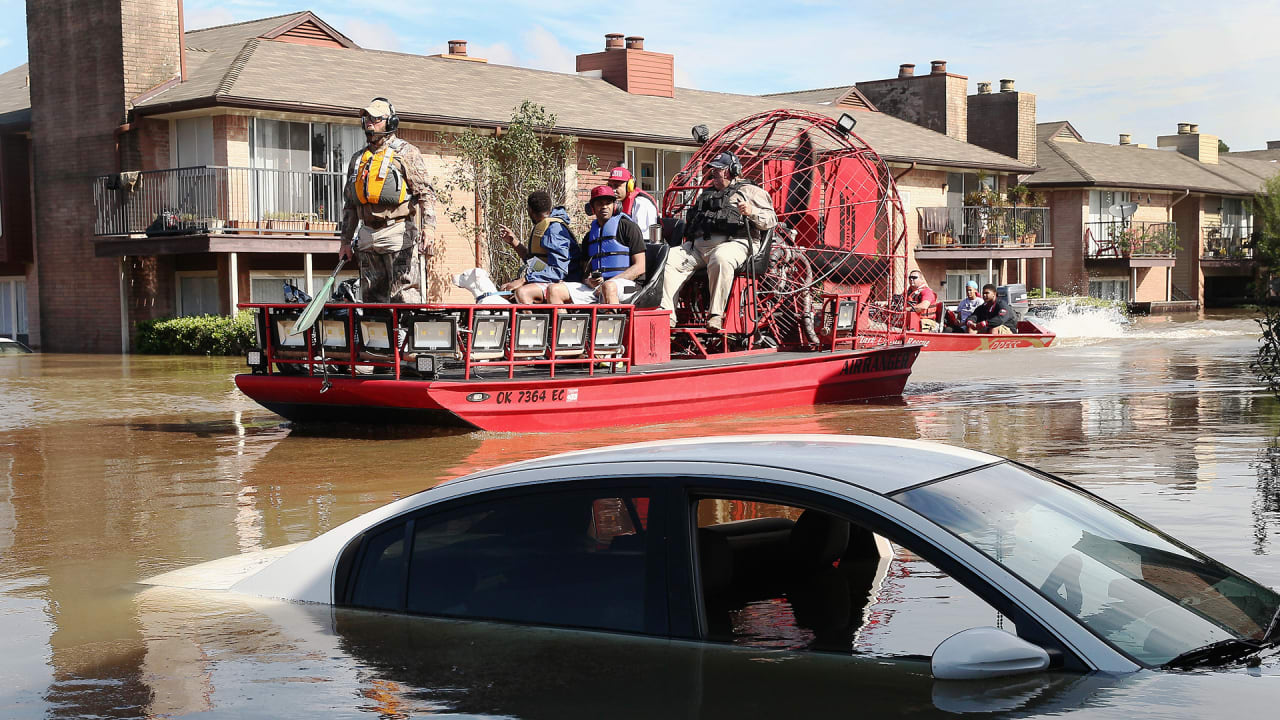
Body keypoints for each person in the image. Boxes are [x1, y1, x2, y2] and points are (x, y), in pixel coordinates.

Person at [660, 152, 776, 332]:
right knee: (668, 259)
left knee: (720, 258)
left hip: (736, 242)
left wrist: (751, 211)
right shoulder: (708, 194)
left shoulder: (752, 192)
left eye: (718, 170)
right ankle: (667, 316)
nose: (713, 173)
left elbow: (770, 220)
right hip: (699, 247)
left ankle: (715, 315)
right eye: (712, 170)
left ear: (733, 170)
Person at [339, 97, 438, 303]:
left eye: (375, 118)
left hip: (398, 234)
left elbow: (425, 193)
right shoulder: (358, 159)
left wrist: (429, 228)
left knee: (404, 297)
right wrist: (345, 242)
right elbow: (350, 204)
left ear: (390, 122)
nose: (369, 123)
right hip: (367, 238)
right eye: (366, 118)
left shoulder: (406, 153)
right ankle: (378, 336)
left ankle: (405, 336)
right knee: (372, 301)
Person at [547, 185, 646, 305]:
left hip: (627, 286)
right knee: (554, 290)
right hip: (597, 288)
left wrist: (610, 282)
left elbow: (640, 267)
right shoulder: (589, 237)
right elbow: (584, 273)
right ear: (592, 208)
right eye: (599, 203)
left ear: (615, 206)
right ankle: (569, 324)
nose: (604, 206)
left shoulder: (628, 227)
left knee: (608, 287)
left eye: (608, 203)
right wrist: (589, 281)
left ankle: (612, 322)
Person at [496, 191, 579, 303]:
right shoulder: (544, 226)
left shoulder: (554, 229)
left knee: (523, 292)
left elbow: (559, 270)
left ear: (530, 210)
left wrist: (524, 280)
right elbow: (536, 262)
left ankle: (531, 321)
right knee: (505, 289)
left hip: (565, 282)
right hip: (549, 278)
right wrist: (513, 242)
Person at [607, 166, 658, 240]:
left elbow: (643, 239)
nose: (612, 190)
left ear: (629, 186)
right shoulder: (616, 202)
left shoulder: (642, 204)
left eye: (616, 186)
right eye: (610, 186)